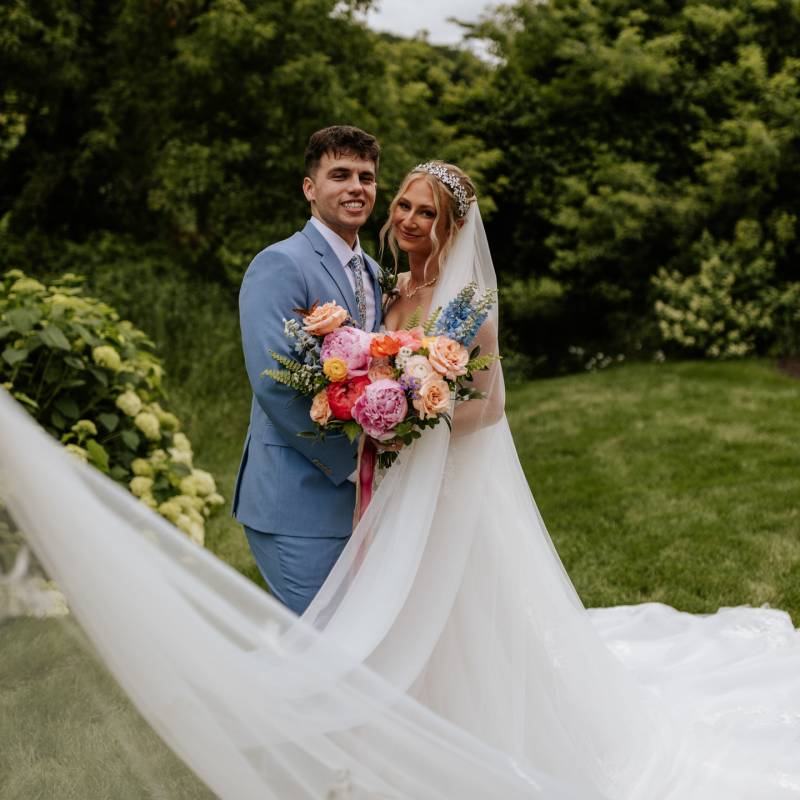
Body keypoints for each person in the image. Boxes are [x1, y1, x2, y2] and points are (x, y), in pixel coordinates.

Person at [232, 125, 383, 615]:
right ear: (309, 187)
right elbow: (275, 384)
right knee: (327, 646)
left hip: (363, 501)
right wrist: (356, 460)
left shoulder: (376, 274)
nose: (356, 187)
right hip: (296, 500)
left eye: (366, 176)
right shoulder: (280, 264)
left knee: (359, 644)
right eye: (340, 174)